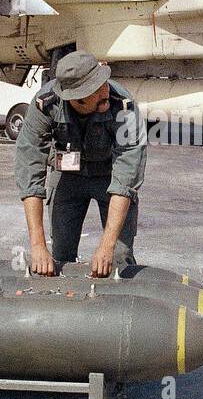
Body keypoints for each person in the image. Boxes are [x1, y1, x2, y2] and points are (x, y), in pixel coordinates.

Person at [14, 50, 146, 278]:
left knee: (117, 258)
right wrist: (37, 246)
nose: (106, 90)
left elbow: (127, 175)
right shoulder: (45, 105)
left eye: (104, 83)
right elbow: (30, 170)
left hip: (111, 178)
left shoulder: (123, 106)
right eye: (97, 90)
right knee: (60, 257)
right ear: (76, 100)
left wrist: (107, 246)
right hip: (68, 178)